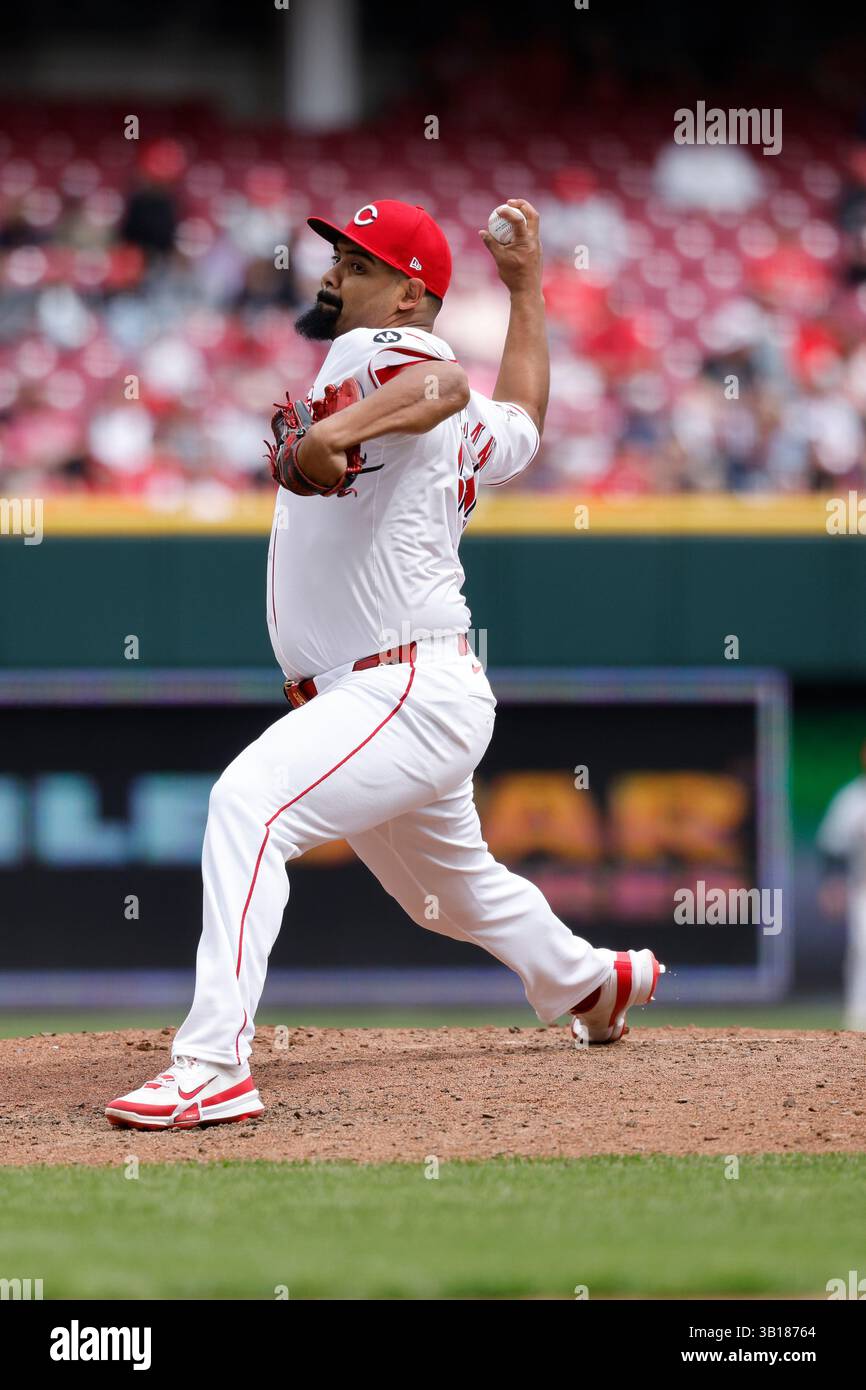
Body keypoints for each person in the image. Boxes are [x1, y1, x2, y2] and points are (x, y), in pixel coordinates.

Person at [106, 197, 663, 1131]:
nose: (332, 273)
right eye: (336, 255)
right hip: (413, 687)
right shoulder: (412, 396)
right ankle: (590, 982)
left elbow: (444, 383)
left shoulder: (380, 359)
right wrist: (527, 290)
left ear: (408, 297)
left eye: (358, 264)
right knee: (450, 895)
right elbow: (518, 411)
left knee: (248, 804)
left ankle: (211, 1066)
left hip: (398, 683)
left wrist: (329, 434)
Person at [816, 740, 866, 1030]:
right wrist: (832, 883)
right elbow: (832, 845)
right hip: (864, 888)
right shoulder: (852, 799)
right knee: (863, 950)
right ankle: (859, 1020)